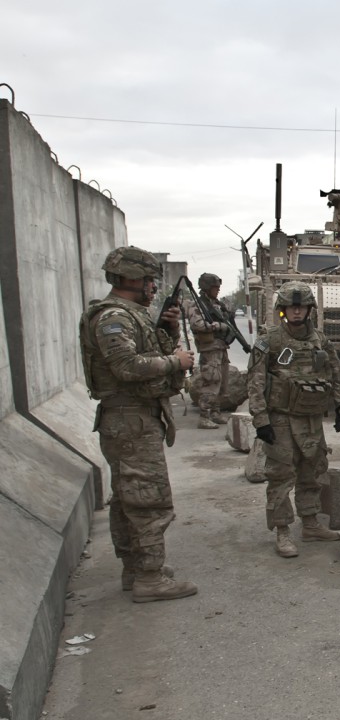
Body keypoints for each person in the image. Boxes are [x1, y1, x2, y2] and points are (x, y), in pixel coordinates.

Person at [79, 246, 199, 602]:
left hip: (134, 417)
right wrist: (176, 362)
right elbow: (127, 366)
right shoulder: (113, 317)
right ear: (130, 277)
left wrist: (168, 331)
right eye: (148, 279)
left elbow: (146, 352)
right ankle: (150, 577)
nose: (152, 287)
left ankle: (136, 569)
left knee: (129, 496)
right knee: (149, 498)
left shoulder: (134, 315)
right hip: (129, 419)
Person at [247, 281, 340, 557]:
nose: (296, 312)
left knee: (313, 470)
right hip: (280, 418)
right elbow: (255, 382)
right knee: (281, 475)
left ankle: (311, 523)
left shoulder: (320, 340)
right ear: (282, 310)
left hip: (311, 418)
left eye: (301, 306)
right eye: (291, 307)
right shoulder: (269, 340)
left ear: (309, 309)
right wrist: (261, 421)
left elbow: (336, 372)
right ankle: (282, 531)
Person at [187, 272, 234, 429]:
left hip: (220, 347)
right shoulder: (197, 305)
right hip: (209, 349)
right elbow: (197, 324)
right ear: (207, 288)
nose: (218, 290)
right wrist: (218, 326)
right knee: (211, 382)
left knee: (222, 383)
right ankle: (204, 416)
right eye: (215, 287)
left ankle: (215, 412)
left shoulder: (216, 304)